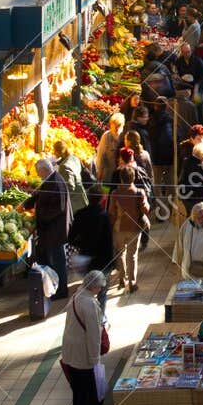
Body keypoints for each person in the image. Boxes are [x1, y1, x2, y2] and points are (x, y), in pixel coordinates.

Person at [60, 270, 107, 405]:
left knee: (77, 382)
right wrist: (95, 357)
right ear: (93, 287)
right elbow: (93, 335)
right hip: (82, 349)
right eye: (99, 287)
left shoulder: (76, 296)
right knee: (85, 382)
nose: (100, 290)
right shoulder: (90, 304)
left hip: (71, 346)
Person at [26, 157, 73, 298]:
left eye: (38, 172)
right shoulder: (51, 180)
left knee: (58, 261)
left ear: (44, 170)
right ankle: (57, 287)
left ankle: (61, 290)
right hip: (53, 230)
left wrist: (40, 217)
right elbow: (40, 194)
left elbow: (58, 208)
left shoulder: (56, 183)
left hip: (55, 231)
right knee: (56, 259)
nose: (38, 175)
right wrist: (28, 203)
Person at [107, 163, 149, 293]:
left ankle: (121, 279)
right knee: (132, 255)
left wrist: (112, 225)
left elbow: (111, 212)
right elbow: (146, 209)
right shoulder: (138, 192)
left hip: (119, 227)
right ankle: (132, 281)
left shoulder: (115, 193)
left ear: (121, 178)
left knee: (120, 254)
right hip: (134, 227)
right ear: (134, 178)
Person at [69, 182, 115, 277]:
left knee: (89, 285)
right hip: (102, 258)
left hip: (85, 257)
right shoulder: (104, 216)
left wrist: (80, 244)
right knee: (102, 286)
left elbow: (71, 237)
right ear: (101, 198)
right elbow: (109, 240)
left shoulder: (79, 214)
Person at [51, 139, 88, 215]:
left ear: (58, 152)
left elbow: (70, 187)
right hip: (82, 198)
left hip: (75, 204)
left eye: (54, 151)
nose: (53, 153)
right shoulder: (74, 157)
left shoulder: (64, 167)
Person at [95, 113, 125, 186]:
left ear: (123, 125)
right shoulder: (106, 136)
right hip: (108, 175)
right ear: (110, 125)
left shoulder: (125, 136)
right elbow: (101, 155)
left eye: (118, 126)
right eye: (114, 126)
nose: (116, 129)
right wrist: (100, 172)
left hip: (121, 176)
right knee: (106, 194)